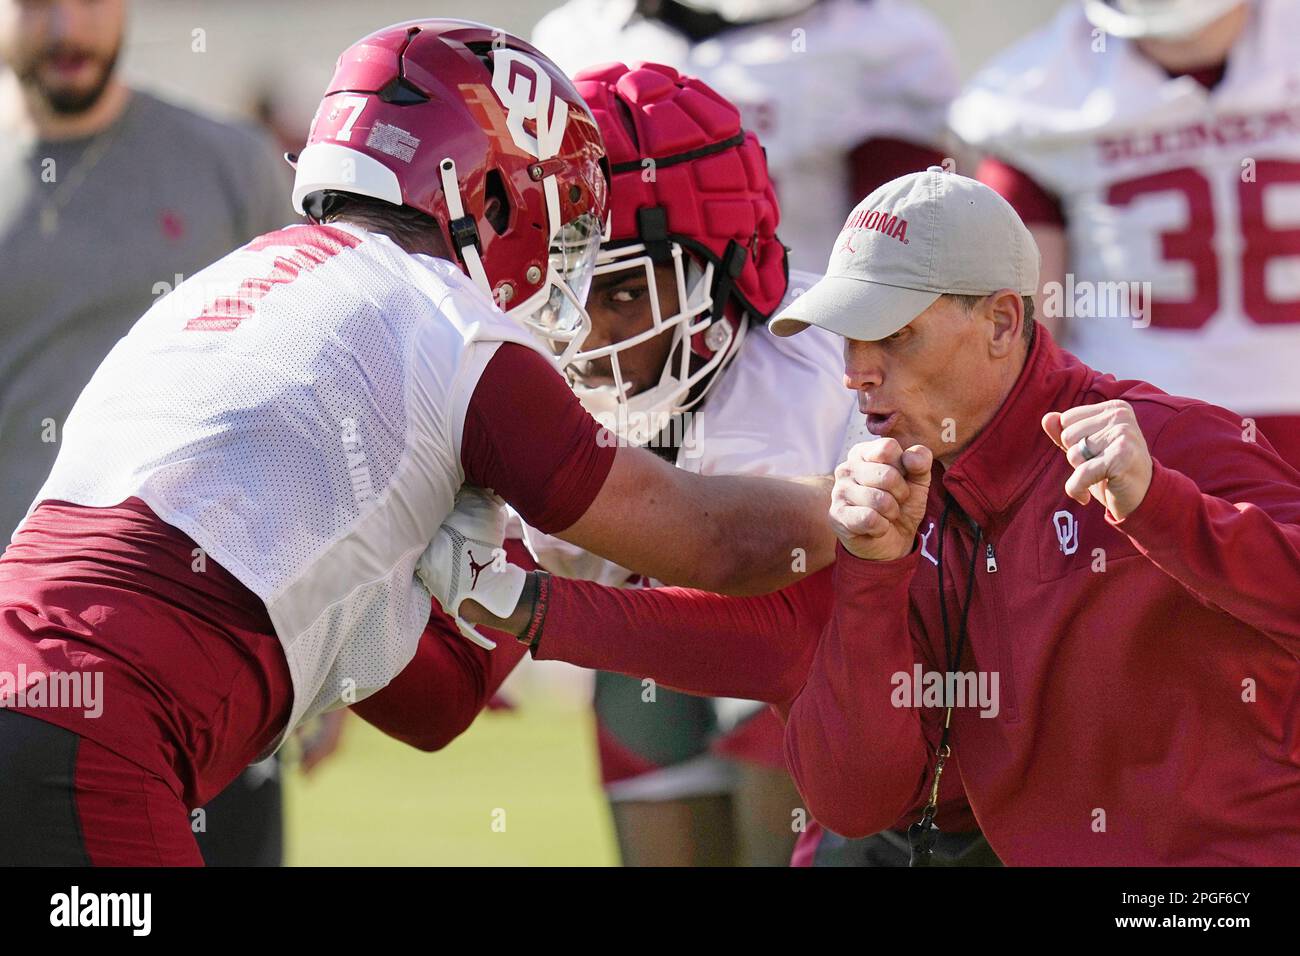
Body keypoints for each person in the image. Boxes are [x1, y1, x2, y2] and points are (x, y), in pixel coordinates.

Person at [0, 19, 835, 866]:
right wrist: (872, 497)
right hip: (88, 733)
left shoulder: (223, 287)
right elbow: (725, 546)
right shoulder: (455, 334)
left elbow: (427, 707)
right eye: (556, 208)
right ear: (495, 191)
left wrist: (495, 583)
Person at [450, 167, 1300, 865]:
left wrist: (1167, 514)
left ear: (1003, 321)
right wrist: (871, 575)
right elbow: (852, 789)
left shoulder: (1158, 441)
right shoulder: (896, 492)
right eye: (846, 338)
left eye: (893, 336)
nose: (855, 373)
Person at [516, 60, 856, 866]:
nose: (591, 334)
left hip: (815, 662)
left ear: (723, 265)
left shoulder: (826, 370)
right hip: (649, 649)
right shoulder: (511, 376)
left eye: (626, 292)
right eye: (567, 288)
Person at [0, 0, 298, 867]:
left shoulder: (228, 166)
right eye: (42, 4)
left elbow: (305, 399)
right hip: (17, 668)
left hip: (209, 659)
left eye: (93, 1)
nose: (71, 31)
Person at [951, 0, 1300, 468]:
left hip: (1145, 431)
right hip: (1140, 436)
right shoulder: (1034, 98)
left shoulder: (1040, 86)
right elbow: (1021, 331)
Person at [531, 0, 958, 270]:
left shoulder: (884, 42)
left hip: (801, 344)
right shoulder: (574, 37)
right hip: (614, 338)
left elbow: (913, 257)